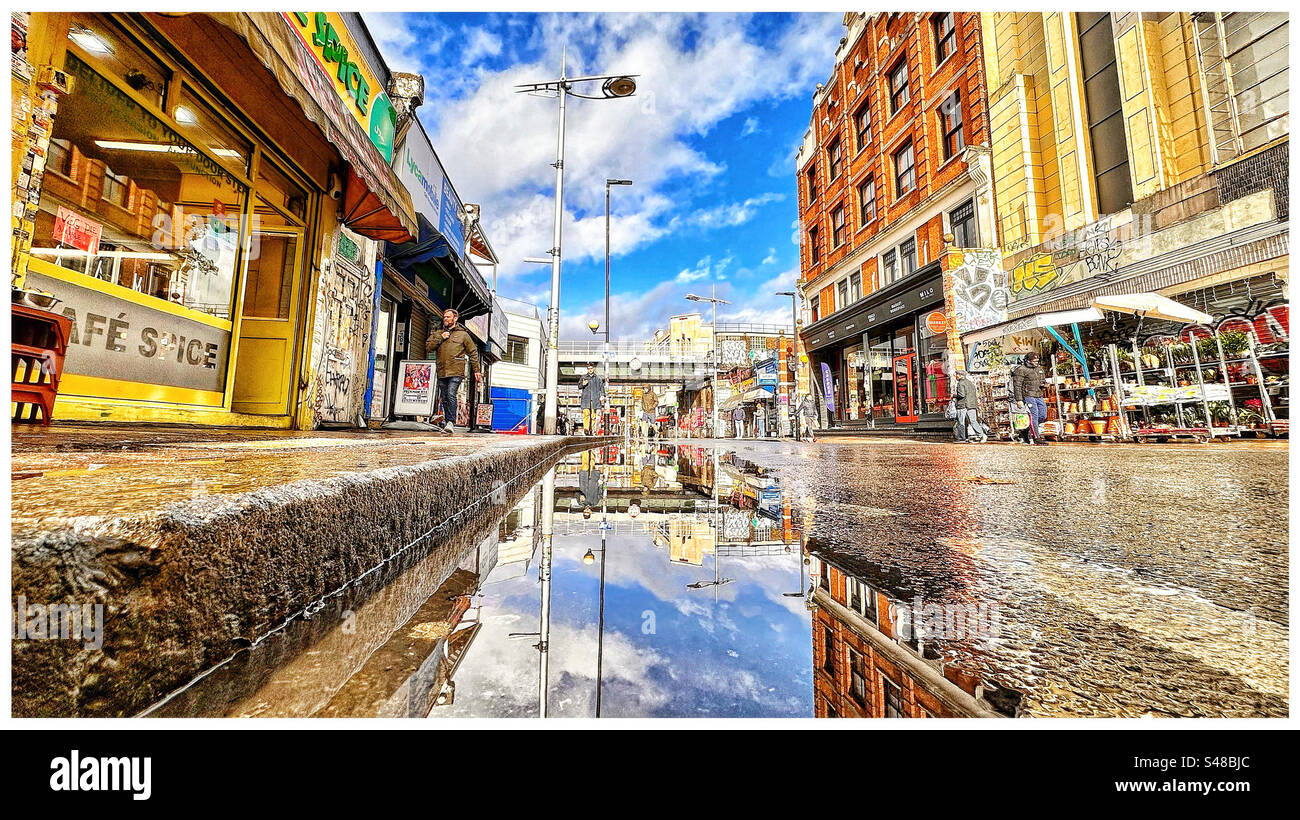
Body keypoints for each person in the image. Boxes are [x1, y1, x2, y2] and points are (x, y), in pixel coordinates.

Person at [425, 308, 482, 434]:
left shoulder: (463, 335)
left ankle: (451, 422)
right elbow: (428, 347)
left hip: (456, 370)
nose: (445, 319)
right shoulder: (438, 333)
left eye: (448, 317)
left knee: (451, 393)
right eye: (444, 317)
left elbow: (473, 352)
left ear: (455, 318)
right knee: (445, 396)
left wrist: (476, 370)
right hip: (442, 370)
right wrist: (440, 338)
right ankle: (447, 421)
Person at [1011, 351, 1048, 445]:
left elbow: (1042, 380)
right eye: (1034, 361)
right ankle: (1036, 437)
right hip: (1028, 395)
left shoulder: (1039, 369)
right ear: (1028, 361)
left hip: (1038, 395)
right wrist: (1019, 399)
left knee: (1043, 415)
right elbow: (1017, 385)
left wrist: (1044, 384)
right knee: (1034, 416)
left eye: (1037, 360)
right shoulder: (1021, 370)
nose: (1036, 362)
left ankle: (1026, 430)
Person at [952, 369, 987, 443]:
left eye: (957, 375)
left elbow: (961, 395)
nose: (956, 376)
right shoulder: (970, 383)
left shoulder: (960, 383)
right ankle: (981, 435)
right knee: (973, 421)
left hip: (963, 405)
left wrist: (954, 396)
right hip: (972, 405)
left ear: (961, 375)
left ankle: (961, 438)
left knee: (961, 422)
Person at [579, 364, 605, 436]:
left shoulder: (598, 379)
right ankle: (586, 429)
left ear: (593, 369)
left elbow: (602, 388)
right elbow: (579, 386)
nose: (590, 370)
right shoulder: (583, 377)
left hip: (595, 399)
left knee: (593, 416)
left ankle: (591, 429)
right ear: (587, 369)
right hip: (586, 399)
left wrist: (602, 395)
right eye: (588, 368)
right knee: (586, 413)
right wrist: (583, 384)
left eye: (591, 368)